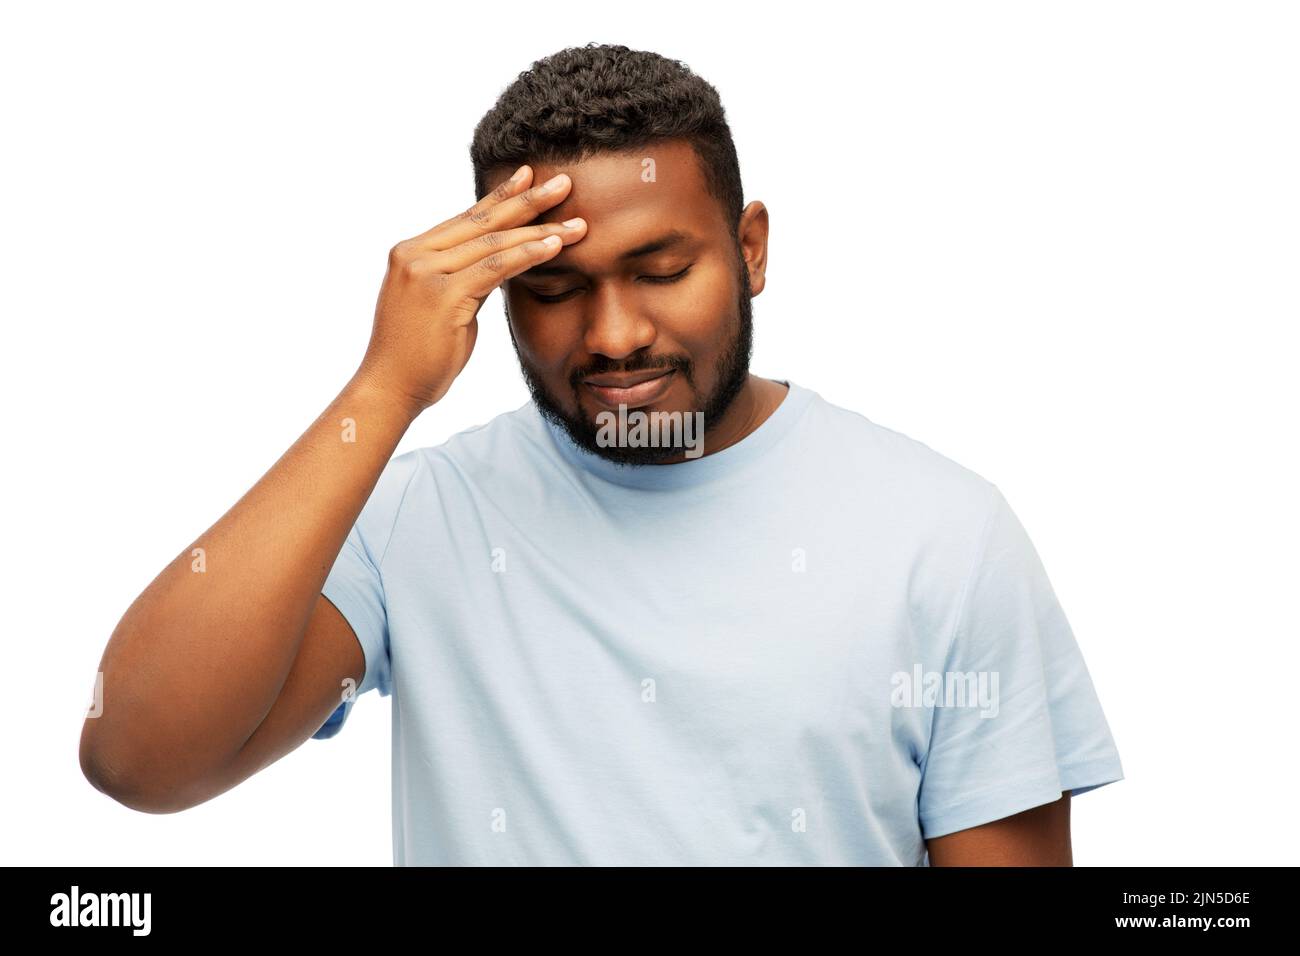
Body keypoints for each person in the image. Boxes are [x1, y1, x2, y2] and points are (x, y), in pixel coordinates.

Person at [80, 43, 1122, 866]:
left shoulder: (941, 534)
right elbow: (137, 756)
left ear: (750, 248)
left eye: (661, 269)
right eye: (554, 287)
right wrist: (382, 388)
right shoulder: (421, 518)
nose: (614, 333)